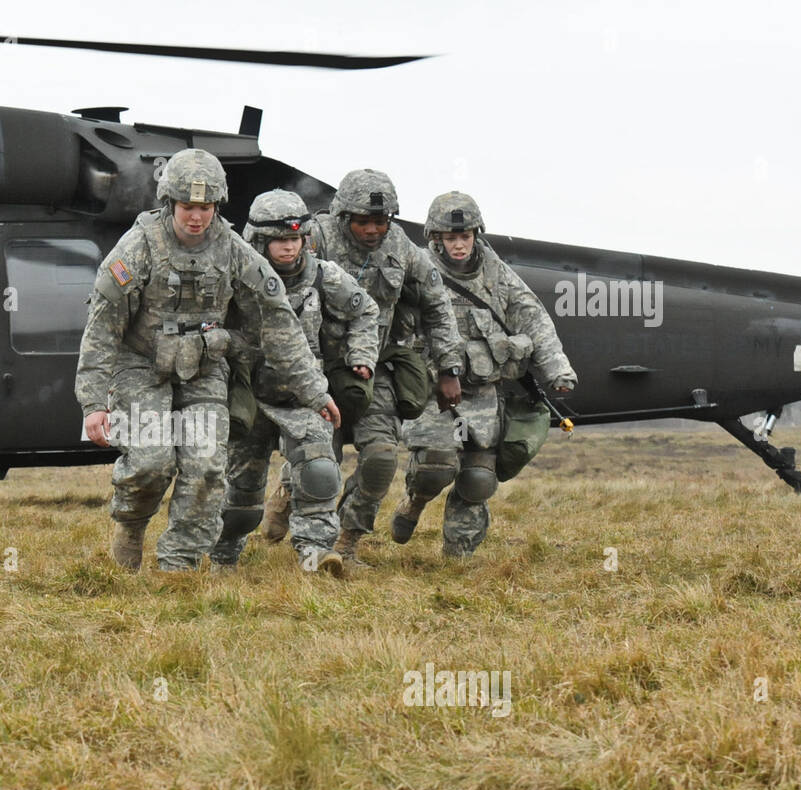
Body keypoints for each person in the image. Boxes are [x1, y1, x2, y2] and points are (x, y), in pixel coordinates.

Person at [76, 150, 340, 572]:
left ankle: (177, 566)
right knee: (150, 462)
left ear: (217, 205)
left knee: (206, 468)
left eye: (205, 207)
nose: (196, 217)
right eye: (187, 207)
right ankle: (130, 524)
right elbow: (103, 325)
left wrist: (314, 391)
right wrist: (94, 404)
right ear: (170, 203)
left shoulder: (233, 250)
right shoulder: (140, 246)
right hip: (140, 365)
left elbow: (278, 322)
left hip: (204, 368)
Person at [264, 169, 463, 566]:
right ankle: (291, 490)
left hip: (372, 369)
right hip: (313, 368)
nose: (373, 230)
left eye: (381, 221)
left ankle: (347, 541)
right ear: (343, 217)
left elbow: (438, 307)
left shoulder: (401, 248)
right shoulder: (311, 238)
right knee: (321, 459)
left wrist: (449, 367)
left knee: (382, 457)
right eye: (364, 221)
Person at [393, 191, 576, 556]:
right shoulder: (416, 270)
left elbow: (533, 318)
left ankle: (457, 557)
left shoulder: (497, 274)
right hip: (434, 389)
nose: (459, 245)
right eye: (451, 238)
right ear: (435, 239)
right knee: (435, 467)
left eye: (465, 236)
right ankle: (415, 501)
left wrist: (558, 368)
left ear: (476, 234)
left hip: (481, 390)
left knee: (478, 477)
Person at [211, 189, 380, 575]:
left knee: (319, 471)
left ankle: (315, 556)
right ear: (258, 240)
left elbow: (366, 311)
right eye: (278, 241)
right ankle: (223, 559)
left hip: (304, 394)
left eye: (294, 239)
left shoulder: (325, 276)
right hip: (250, 394)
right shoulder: (235, 276)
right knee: (242, 493)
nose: (288, 249)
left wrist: (361, 356)